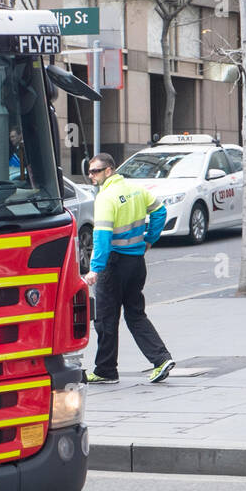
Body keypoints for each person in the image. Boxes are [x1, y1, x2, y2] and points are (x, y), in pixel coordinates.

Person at [82, 153, 175, 385]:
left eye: (95, 171)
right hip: (135, 263)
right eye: (90, 171)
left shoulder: (106, 197)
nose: (91, 176)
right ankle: (161, 359)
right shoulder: (135, 190)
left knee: (105, 318)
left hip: (113, 265)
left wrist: (95, 269)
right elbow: (160, 211)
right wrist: (149, 240)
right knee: (135, 313)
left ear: (109, 170)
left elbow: (102, 237)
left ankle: (106, 371)